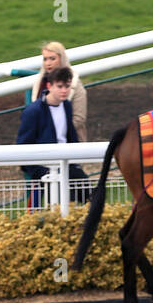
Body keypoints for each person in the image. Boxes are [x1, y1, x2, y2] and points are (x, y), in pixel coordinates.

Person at [17, 65, 90, 205]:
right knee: (57, 203)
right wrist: (37, 171)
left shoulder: (67, 106)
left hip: (66, 163)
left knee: (87, 194)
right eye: (60, 86)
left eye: (67, 86)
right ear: (49, 86)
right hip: (44, 167)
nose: (64, 91)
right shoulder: (33, 111)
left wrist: (75, 163)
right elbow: (23, 144)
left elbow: (70, 136)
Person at [31, 41, 88, 141]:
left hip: (71, 143)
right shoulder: (39, 83)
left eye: (52, 59)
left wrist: (52, 132)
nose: (48, 63)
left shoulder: (75, 85)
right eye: (45, 59)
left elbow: (79, 119)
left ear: (61, 59)